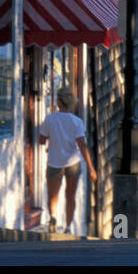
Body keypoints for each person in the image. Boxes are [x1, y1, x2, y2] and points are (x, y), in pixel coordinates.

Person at [37, 88, 95, 233]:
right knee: (70, 195)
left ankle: (53, 217)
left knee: (53, 194)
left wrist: (52, 138)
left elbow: (41, 140)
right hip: (73, 163)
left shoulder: (50, 119)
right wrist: (91, 168)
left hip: (54, 162)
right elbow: (82, 145)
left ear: (58, 102)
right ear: (72, 103)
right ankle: (68, 227)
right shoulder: (77, 122)